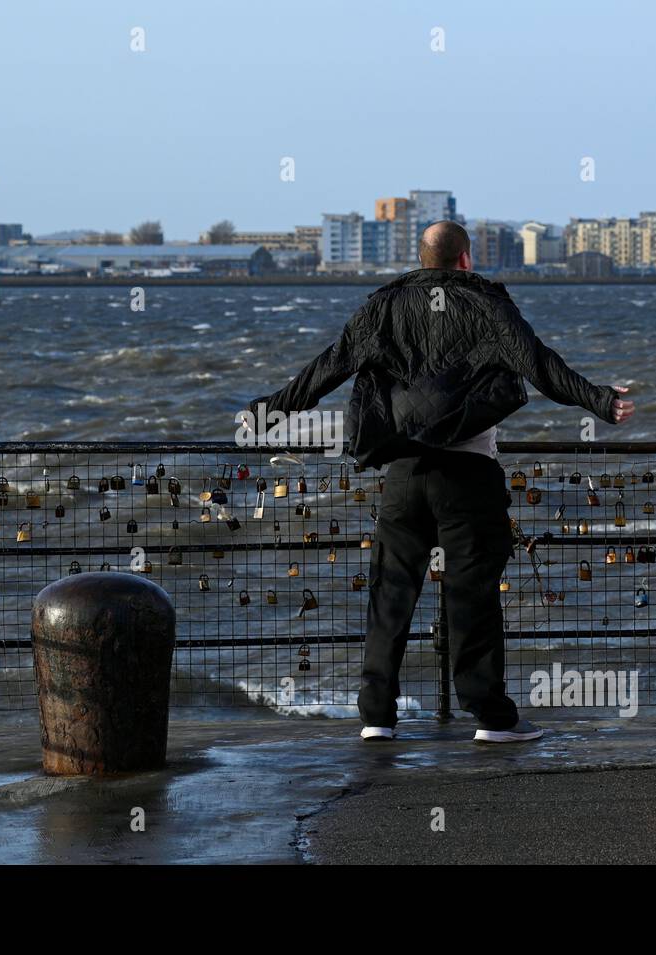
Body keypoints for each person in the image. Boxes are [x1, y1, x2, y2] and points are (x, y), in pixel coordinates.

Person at [248, 221, 634, 743]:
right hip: (469, 476)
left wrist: (269, 413)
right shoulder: (487, 304)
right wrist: (602, 401)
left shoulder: (384, 304)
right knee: (471, 597)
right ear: (466, 260)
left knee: (391, 595)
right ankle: (491, 719)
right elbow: (540, 365)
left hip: (404, 476)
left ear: (423, 258)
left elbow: (330, 366)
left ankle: (377, 718)